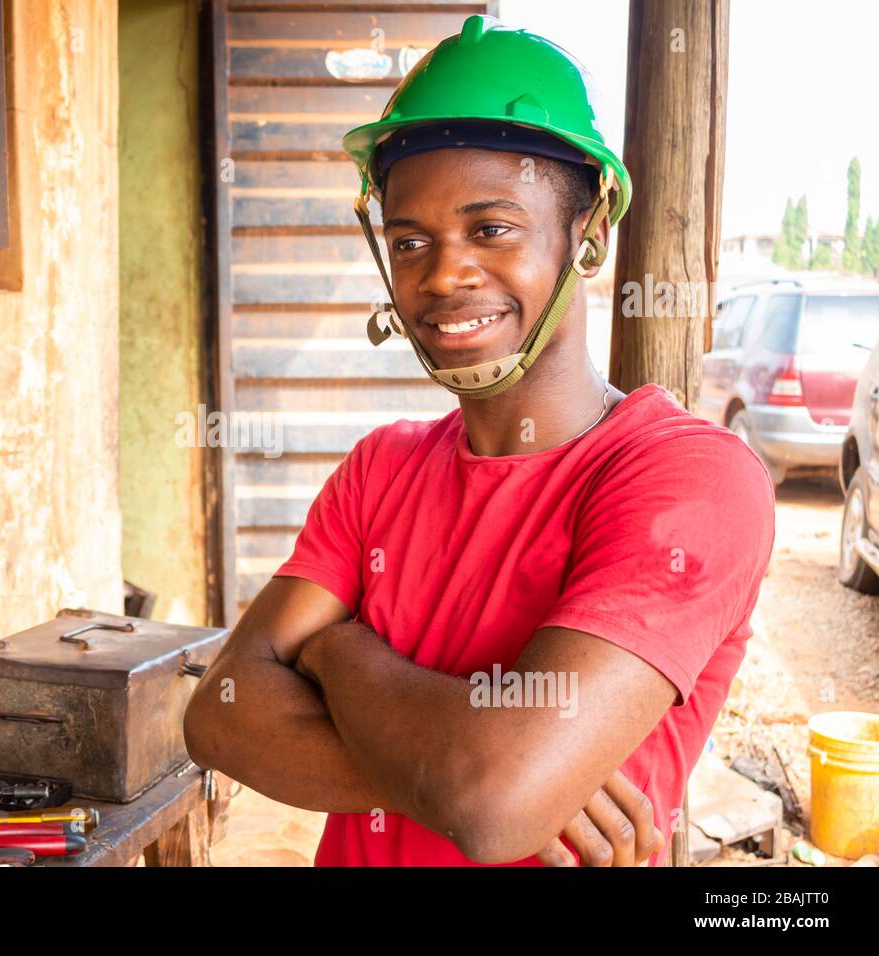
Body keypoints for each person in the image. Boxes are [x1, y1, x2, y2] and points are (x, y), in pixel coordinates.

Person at [183, 15, 776, 867]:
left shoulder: (689, 478)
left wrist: (333, 650)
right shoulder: (379, 468)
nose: (443, 273)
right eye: (410, 241)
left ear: (591, 236)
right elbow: (220, 714)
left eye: (491, 228)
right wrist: (474, 767)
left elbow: (492, 804)